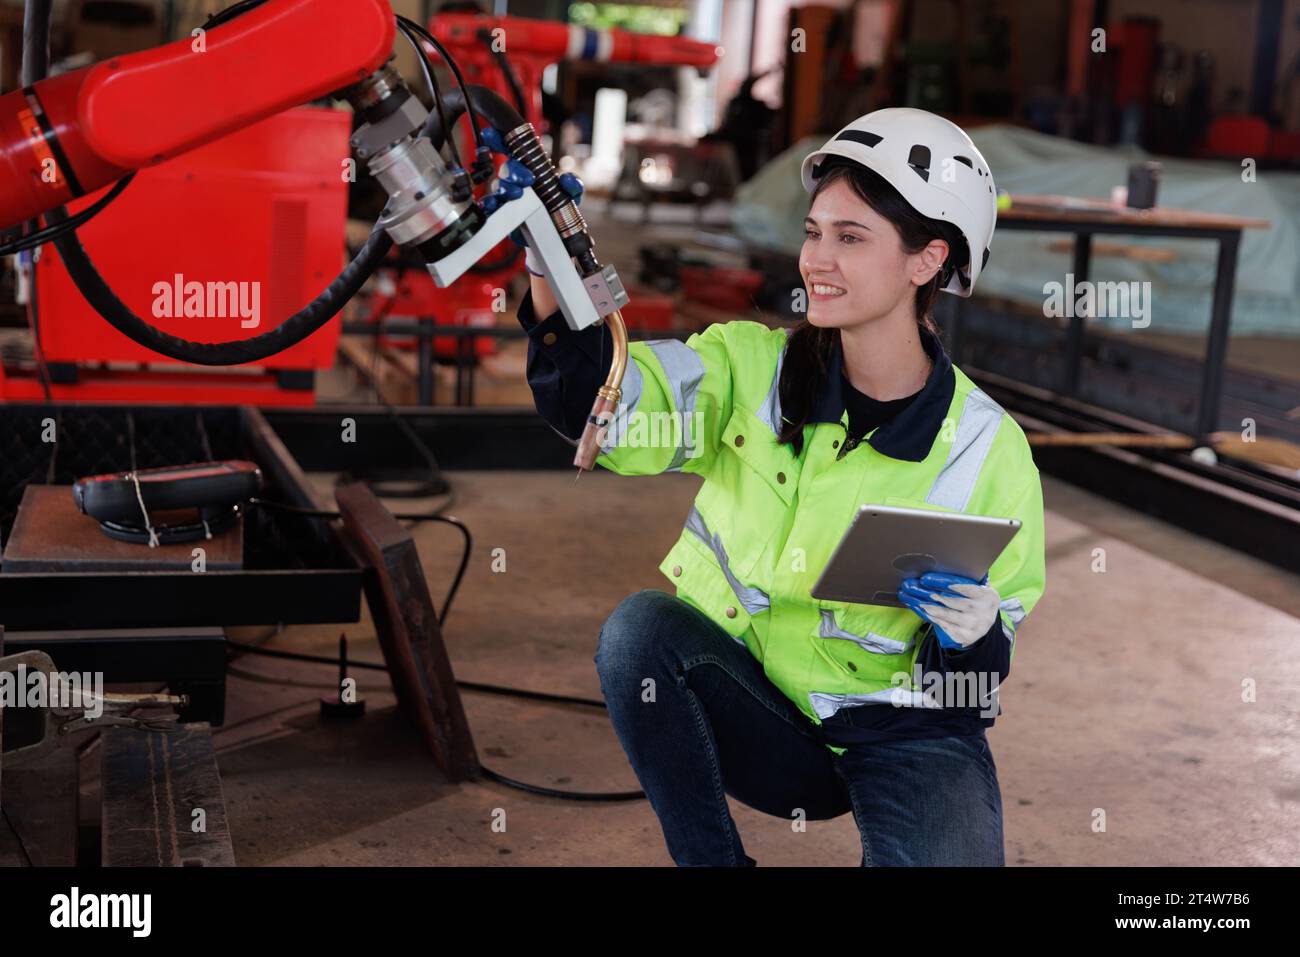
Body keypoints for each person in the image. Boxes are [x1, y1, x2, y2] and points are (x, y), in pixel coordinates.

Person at [484, 109, 1046, 866]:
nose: (817, 258)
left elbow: (972, 692)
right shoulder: (753, 370)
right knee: (638, 633)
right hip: (766, 716)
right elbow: (606, 407)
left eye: (851, 237)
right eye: (815, 232)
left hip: (906, 730)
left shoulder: (988, 449)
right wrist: (548, 264)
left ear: (926, 260)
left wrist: (976, 640)